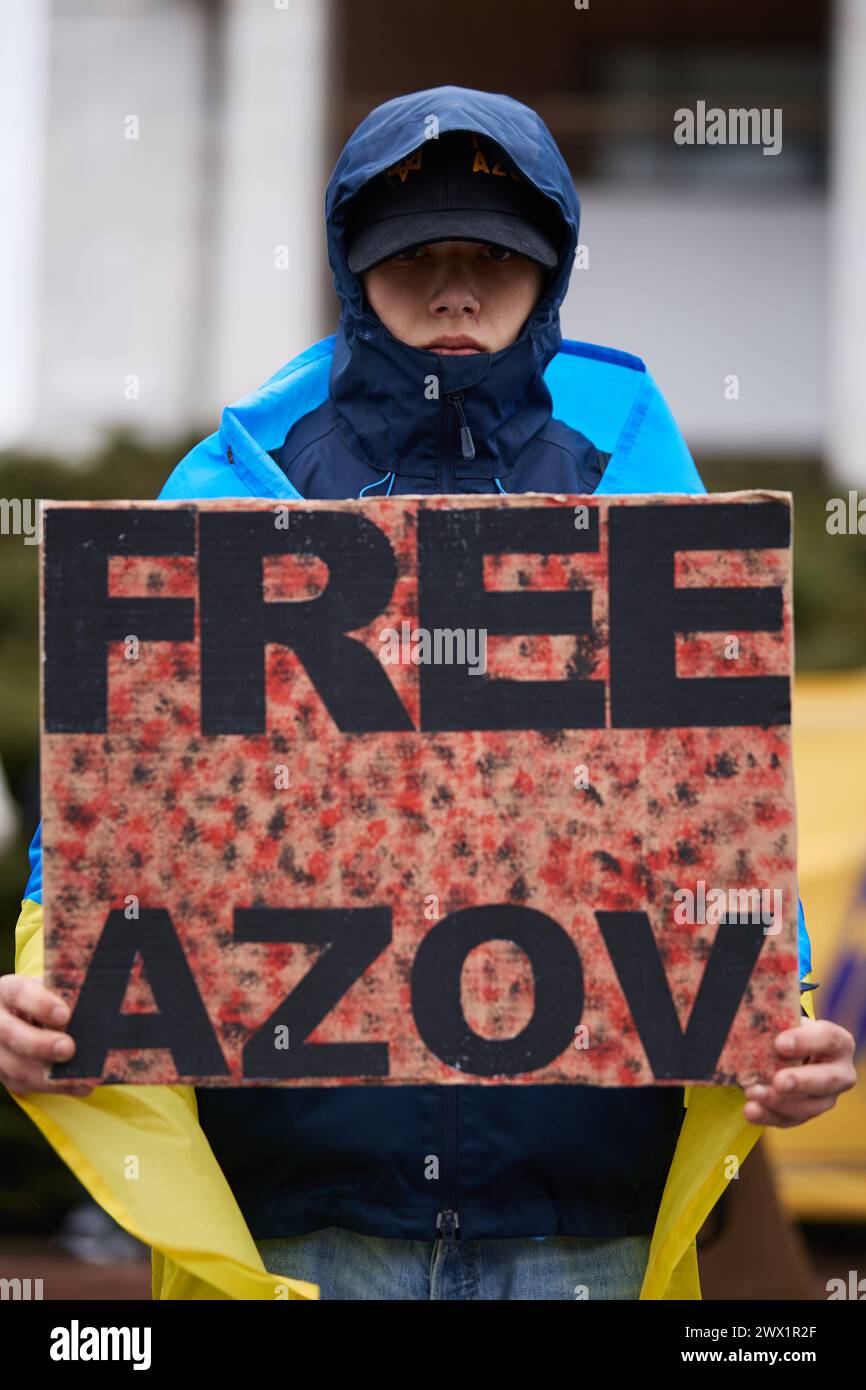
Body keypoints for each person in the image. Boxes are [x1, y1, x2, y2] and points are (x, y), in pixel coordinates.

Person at [2, 85, 856, 1302]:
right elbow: (113, 831)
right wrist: (50, 982)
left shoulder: (635, 496)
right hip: (311, 1197)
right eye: (417, 259)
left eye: (492, 259)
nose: (456, 290)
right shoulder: (234, 501)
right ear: (356, 275)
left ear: (547, 274)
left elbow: (718, 808)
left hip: (574, 1194)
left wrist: (784, 1020)